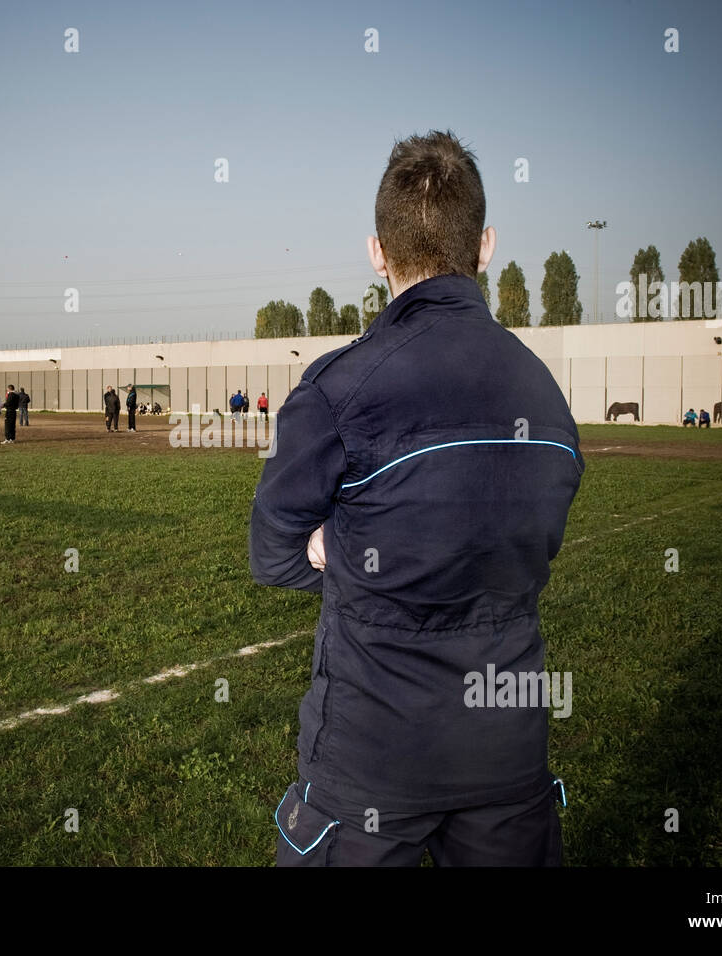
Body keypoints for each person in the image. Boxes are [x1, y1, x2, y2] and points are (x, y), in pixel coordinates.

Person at [250, 130, 584, 867]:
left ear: (378, 252)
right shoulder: (547, 396)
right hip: (506, 751)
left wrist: (349, 547)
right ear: (486, 245)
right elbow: (525, 542)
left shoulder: (337, 386)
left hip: (373, 759)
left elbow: (273, 549)